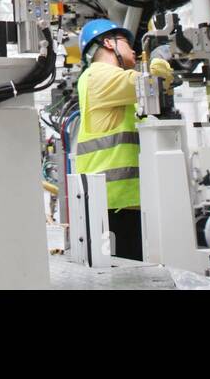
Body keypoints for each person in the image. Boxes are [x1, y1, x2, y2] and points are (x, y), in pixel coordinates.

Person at [73, 19, 173, 261]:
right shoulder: (98, 75)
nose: (134, 50)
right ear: (108, 43)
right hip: (113, 202)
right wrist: (160, 57)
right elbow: (152, 80)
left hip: (118, 201)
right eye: (127, 43)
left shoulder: (105, 80)